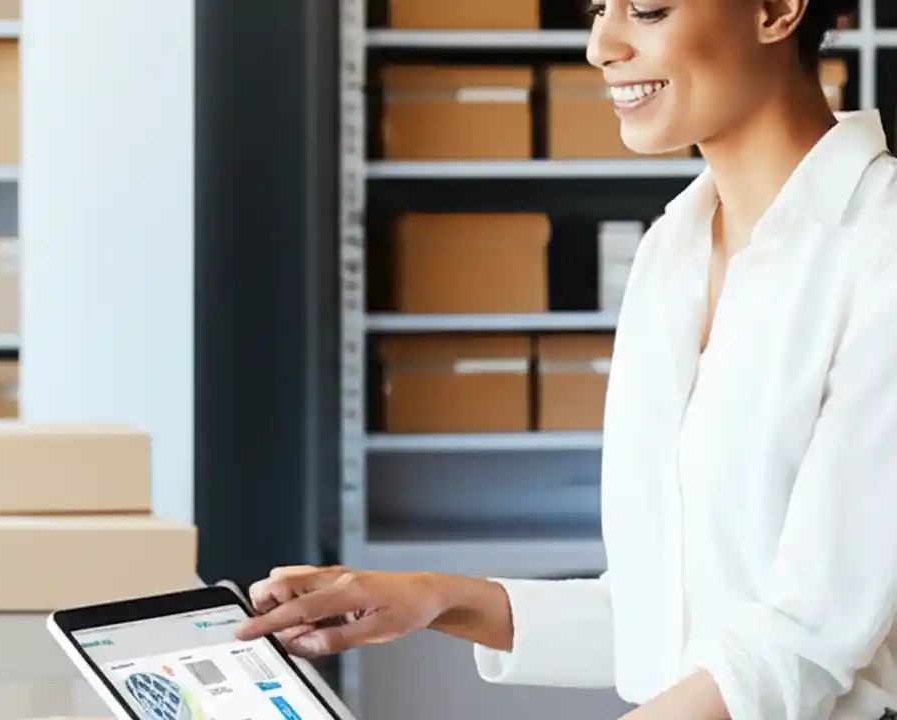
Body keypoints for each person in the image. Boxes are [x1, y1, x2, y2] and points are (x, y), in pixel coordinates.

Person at [235, 0, 897, 718]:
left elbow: (805, 641)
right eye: (596, 8)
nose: (599, 45)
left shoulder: (877, 249)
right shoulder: (670, 252)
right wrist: (430, 598)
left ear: (775, 11)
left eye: (645, 9)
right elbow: (664, 621)